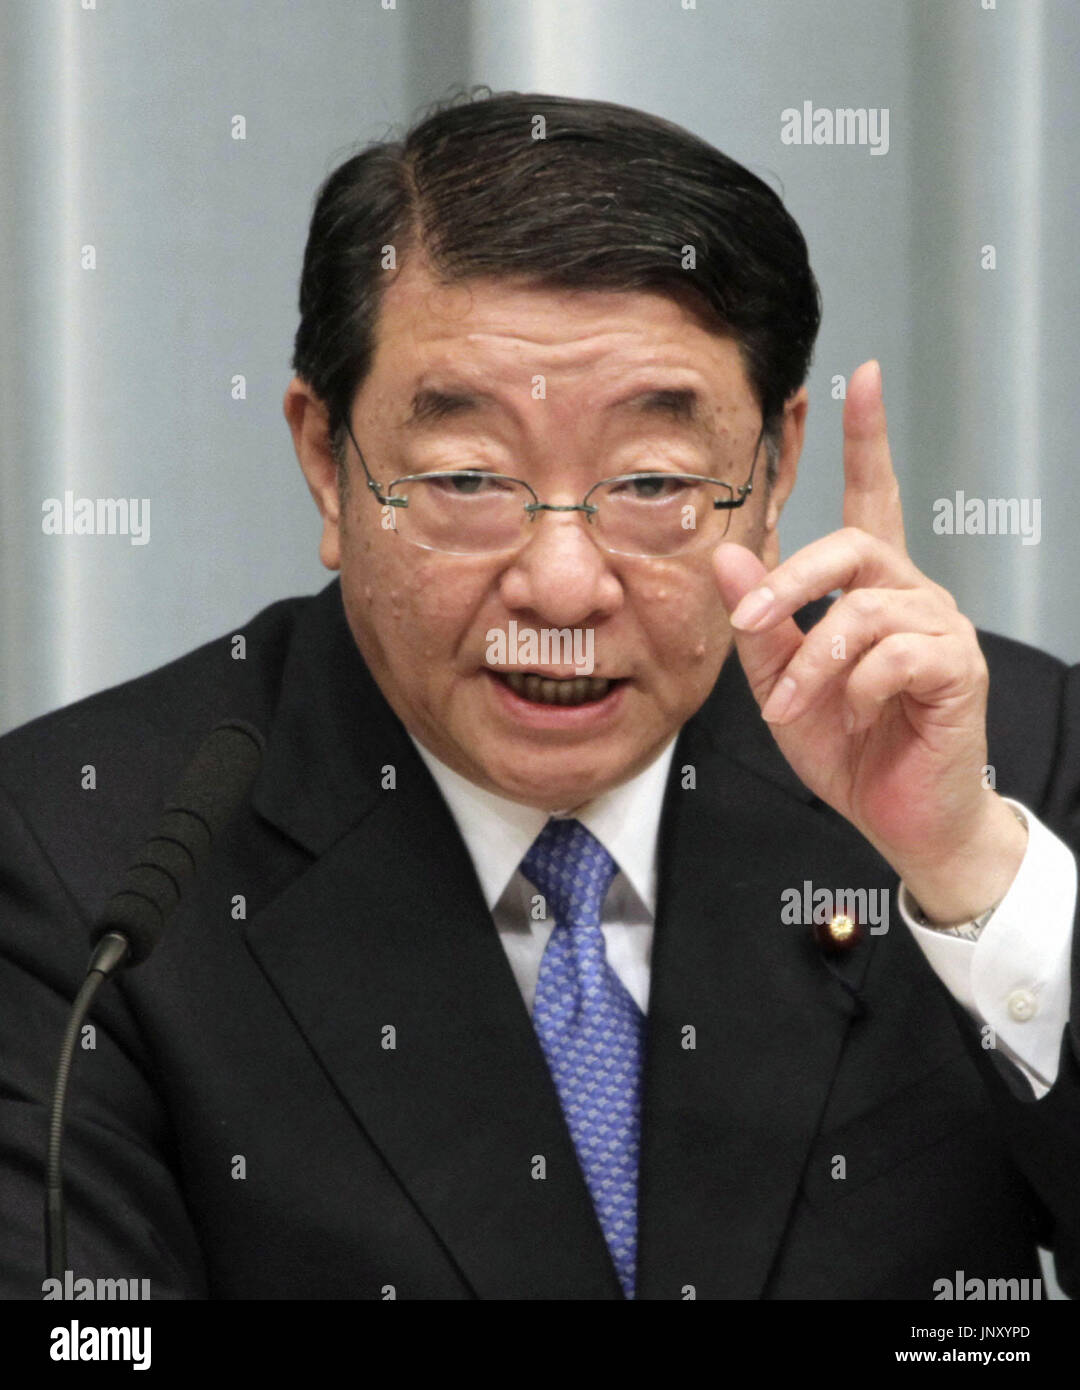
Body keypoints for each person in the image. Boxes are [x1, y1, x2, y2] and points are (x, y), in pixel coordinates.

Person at [1, 90, 1077, 1301]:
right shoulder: (82, 862)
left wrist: (971, 880)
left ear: (774, 473)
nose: (563, 583)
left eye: (653, 480)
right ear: (326, 461)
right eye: (468, 477)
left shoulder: (1005, 764)